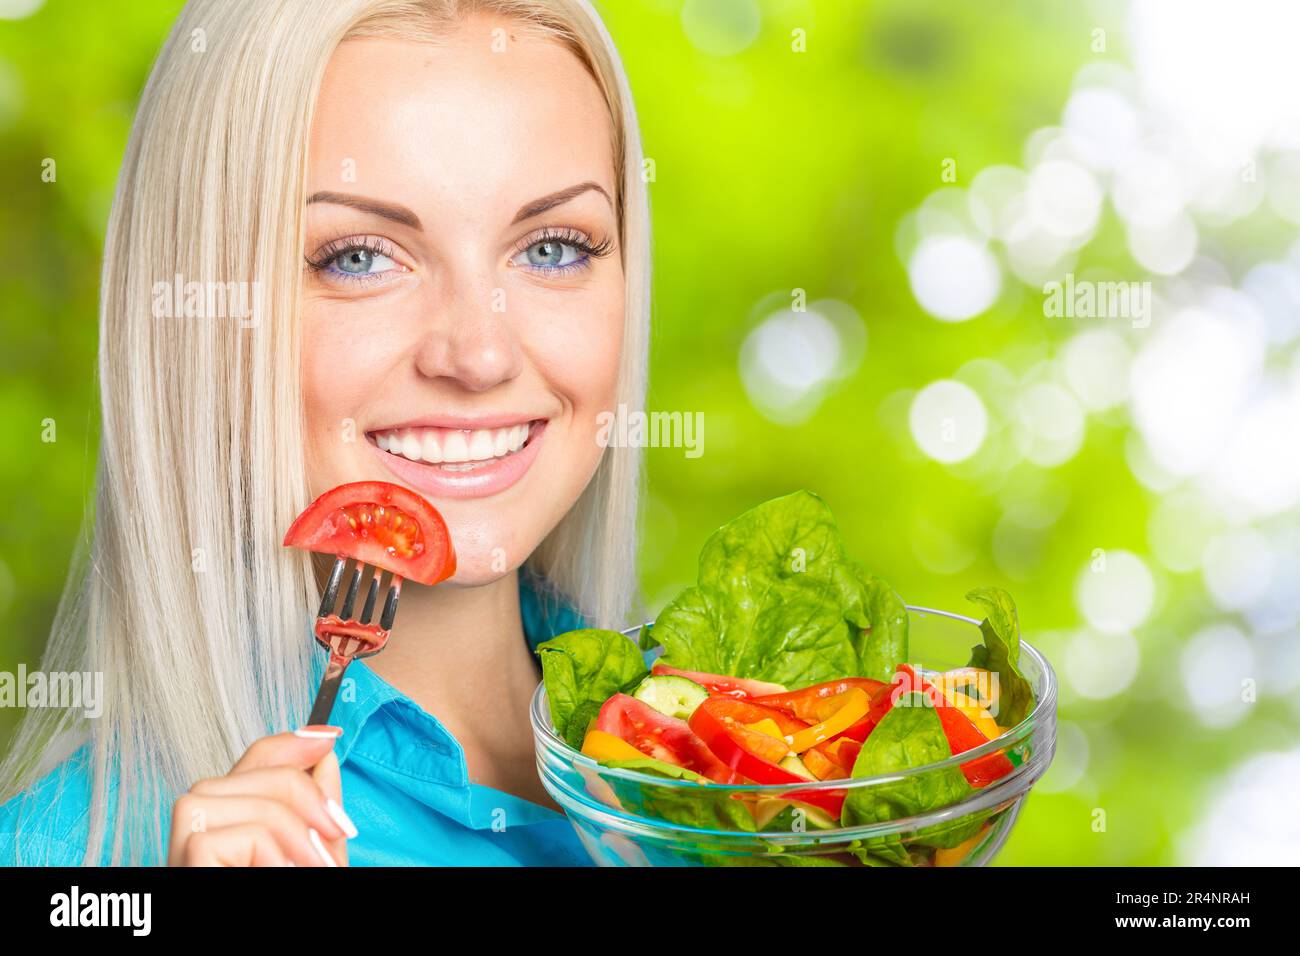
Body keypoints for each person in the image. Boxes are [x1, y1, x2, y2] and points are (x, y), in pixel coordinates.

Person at [0, 0, 650, 866]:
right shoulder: (69, 856)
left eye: (553, 247)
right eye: (358, 258)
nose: (481, 353)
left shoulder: (755, 778)